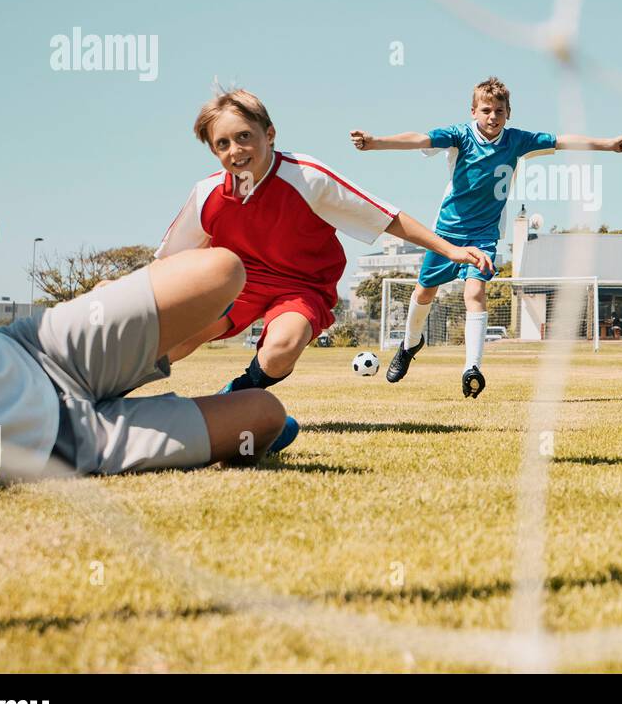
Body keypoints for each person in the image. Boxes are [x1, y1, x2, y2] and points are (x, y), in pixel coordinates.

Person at [0, 158, 287, 508]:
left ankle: (155, 342)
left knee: (221, 272)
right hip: (66, 447)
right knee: (264, 415)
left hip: (40, 349)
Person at [157, 88, 493, 450]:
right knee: (174, 337)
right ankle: (109, 395)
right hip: (240, 282)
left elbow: (387, 218)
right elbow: (165, 264)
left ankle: (232, 399)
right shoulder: (207, 194)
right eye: (223, 143)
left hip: (300, 287)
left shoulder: (308, 178)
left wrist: (451, 250)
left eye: (244, 137)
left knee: (279, 348)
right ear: (213, 150)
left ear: (269, 134)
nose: (235, 150)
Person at [351, 76, 622, 399]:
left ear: (508, 113)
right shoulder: (459, 135)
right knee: (424, 293)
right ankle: (410, 343)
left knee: (475, 293)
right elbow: (419, 139)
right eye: (486, 110)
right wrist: (375, 142)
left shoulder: (517, 141)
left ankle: (472, 368)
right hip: (446, 233)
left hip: (484, 235)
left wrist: (607, 144)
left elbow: (564, 141)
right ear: (473, 111)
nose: (492, 116)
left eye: (499, 110)